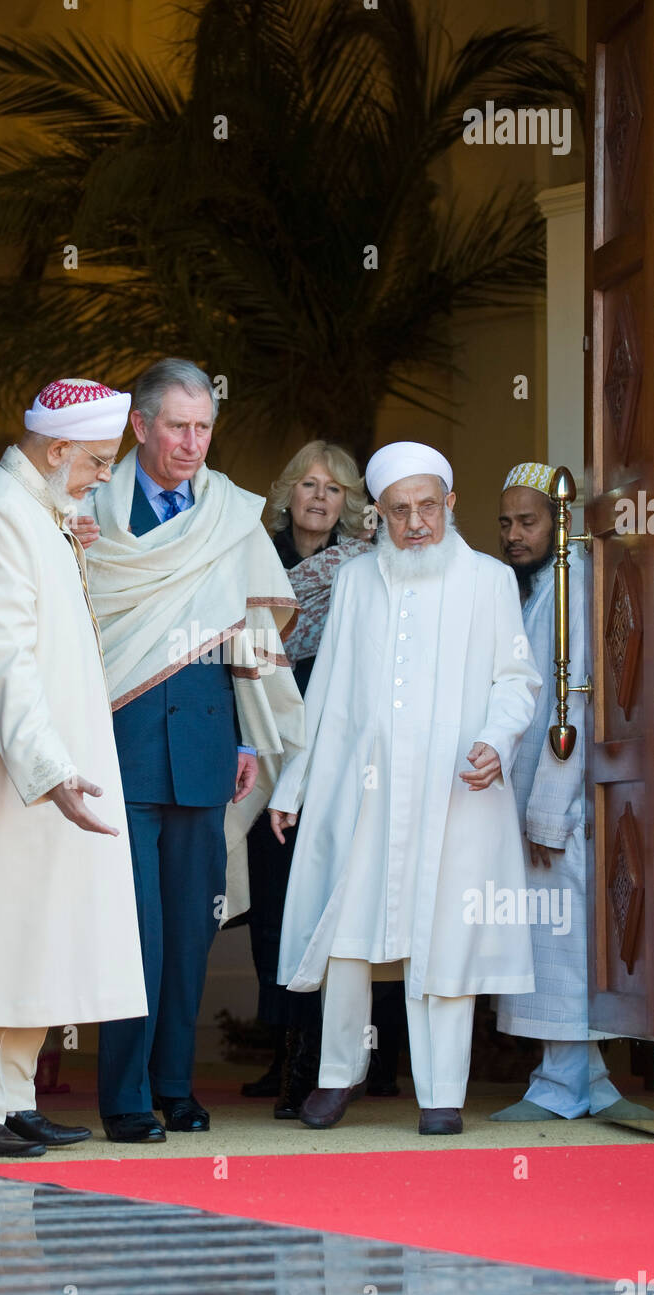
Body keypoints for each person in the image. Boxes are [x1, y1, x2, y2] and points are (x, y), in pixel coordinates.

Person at [269, 441, 541, 1136]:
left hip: (454, 788)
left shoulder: (488, 580)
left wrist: (497, 741)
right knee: (347, 934)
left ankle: (441, 1091)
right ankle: (335, 1078)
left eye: (426, 506)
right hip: (362, 793)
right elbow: (324, 688)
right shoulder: (358, 581)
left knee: (443, 932)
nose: (414, 522)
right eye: (398, 510)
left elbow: (515, 682)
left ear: (449, 505)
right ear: (379, 515)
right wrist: (291, 787)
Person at [85, 358, 305, 1142]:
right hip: (120, 744)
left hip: (209, 747)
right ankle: (124, 1096)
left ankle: (174, 1086)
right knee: (133, 929)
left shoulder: (230, 514)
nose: (190, 443)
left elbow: (249, 628)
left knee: (188, 929)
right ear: (139, 425)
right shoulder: (90, 509)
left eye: (202, 426)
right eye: (176, 426)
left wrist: (249, 733)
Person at [0, 377, 148, 1157]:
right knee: (3, 930)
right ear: (56, 449)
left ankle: (11, 1097)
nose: (105, 477)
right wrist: (46, 768)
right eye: (99, 462)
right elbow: (1, 655)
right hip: (17, 769)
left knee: (41, 931)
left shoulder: (41, 509)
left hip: (59, 760)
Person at [492, 463, 652, 1123]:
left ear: (560, 520)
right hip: (543, 794)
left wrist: (548, 811)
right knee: (557, 938)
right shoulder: (541, 587)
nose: (511, 534)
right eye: (504, 521)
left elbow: (574, 706)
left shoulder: (575, 585)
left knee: (561, 939)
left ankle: (561, 1085)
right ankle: (582, 1077)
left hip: (564, 798)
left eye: (526, 520)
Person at [243, 441, 372, 1116]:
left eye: (334, 489)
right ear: (288, 491)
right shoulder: (254, 559)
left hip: (334, 744)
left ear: (348, 503)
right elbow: (238, 644)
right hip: (264, 738)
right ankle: (280, 1046)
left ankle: (320, 1059)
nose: (320, 497)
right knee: (270, 903)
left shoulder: (362, 568)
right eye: (309, 485)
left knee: (324, 899)